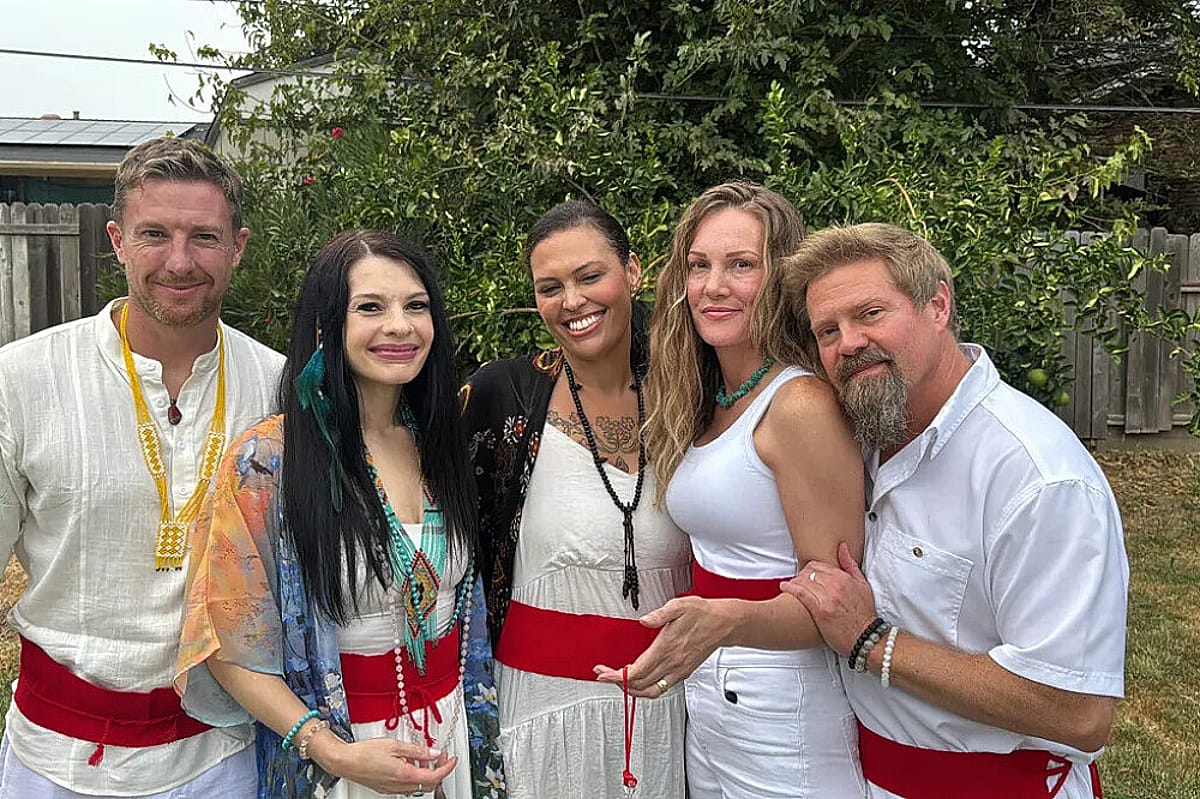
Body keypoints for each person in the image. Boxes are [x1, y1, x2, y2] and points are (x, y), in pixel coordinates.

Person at [778, 222, 1127, 799]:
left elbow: (1078, 709)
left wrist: (870, 640)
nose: (849, 342)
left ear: (938, 305)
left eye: (870, 314)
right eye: (828, 330)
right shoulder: (857, 437)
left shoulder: (1037, 477)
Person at [174, 230, 504, 799]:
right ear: (326, 328)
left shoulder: (441, 444)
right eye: (370, 307)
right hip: (343, 758)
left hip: (451, 741)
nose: (400, 326)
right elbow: (225, 642)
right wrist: (332, 751)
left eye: (416, 306)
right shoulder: (270, 462)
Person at [0, 137, 282, 798]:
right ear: (117, 240)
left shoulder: (275, 384)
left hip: (225, 759)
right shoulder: (22, 380)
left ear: (237, 246)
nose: (179, 261)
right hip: (56, 764)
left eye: (204, 237)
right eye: (154, 233)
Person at [596, 181, 867, 797]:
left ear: (779, 280)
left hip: (784, 715)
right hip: (712, 702)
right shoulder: (705, 399)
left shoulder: (799, 404)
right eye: (699, 265)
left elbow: (835, 604)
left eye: (741, 265)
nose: (713, 286)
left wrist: (723, 620)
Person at [461, 200, 691, 798]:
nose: (572, 302)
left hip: (672, 711)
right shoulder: (500, 397)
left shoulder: (692, 394)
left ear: (633, 271)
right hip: (537, 712)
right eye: (549, 287)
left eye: (590, 276)